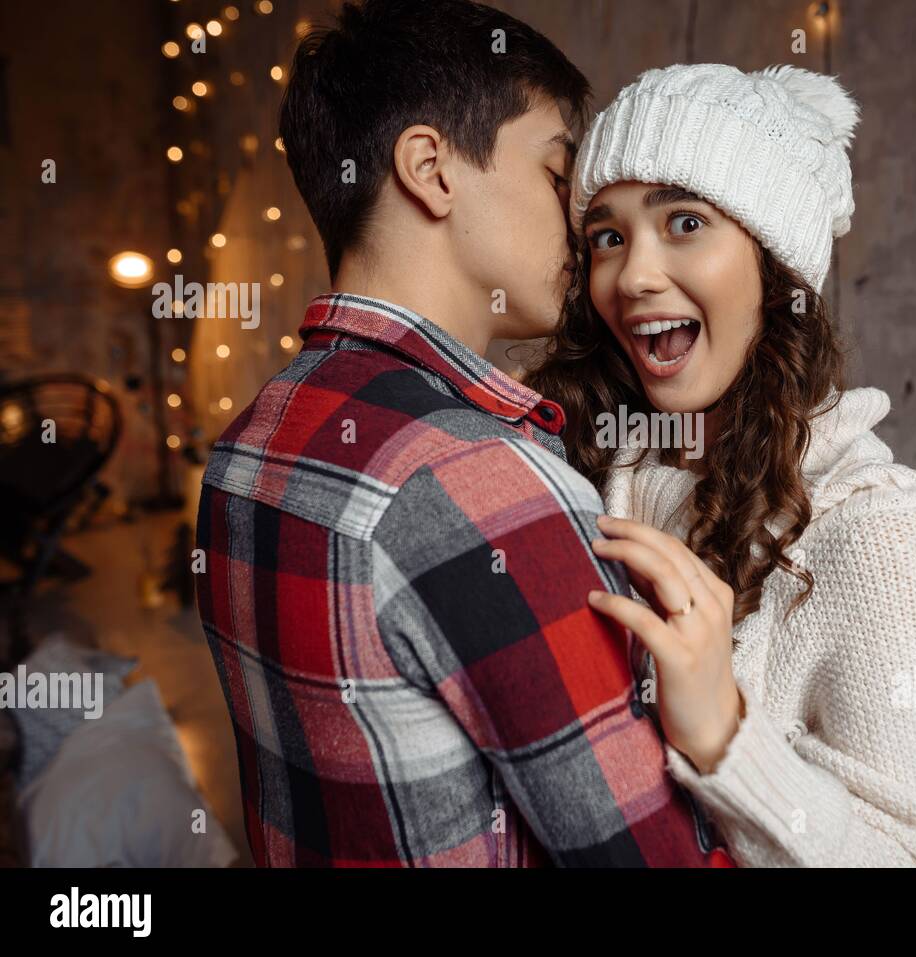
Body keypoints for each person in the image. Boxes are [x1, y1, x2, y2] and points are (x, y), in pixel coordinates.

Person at [194, 0, 732, 867]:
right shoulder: (476, 476)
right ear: (431, 169)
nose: (578, 226)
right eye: (558, 176)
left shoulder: (247, 442)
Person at [525, 62, 916, 866]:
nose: (632, 274)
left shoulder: (876, 523)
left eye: (686, 223)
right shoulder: (591, 457)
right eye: (607, 235)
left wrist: (724, 736)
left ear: (775, 267)